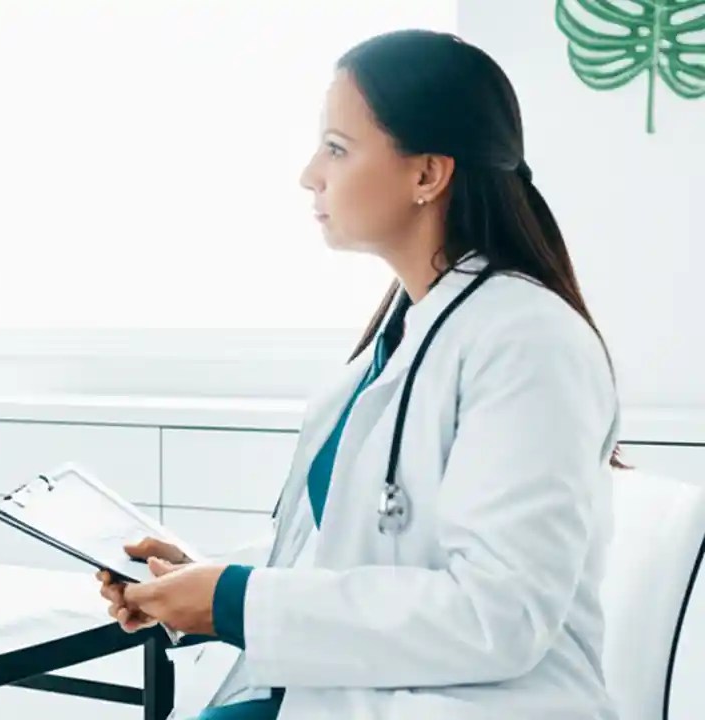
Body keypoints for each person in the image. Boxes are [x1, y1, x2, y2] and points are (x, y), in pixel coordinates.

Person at [99, 29, 621, 720]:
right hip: (349, 692)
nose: (310, 173)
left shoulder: (528, 341)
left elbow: (502, 614)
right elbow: (356, 547)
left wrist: (235, 601)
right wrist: (204, 580)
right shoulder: (407, 333)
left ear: (427, 175)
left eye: (338, 149)